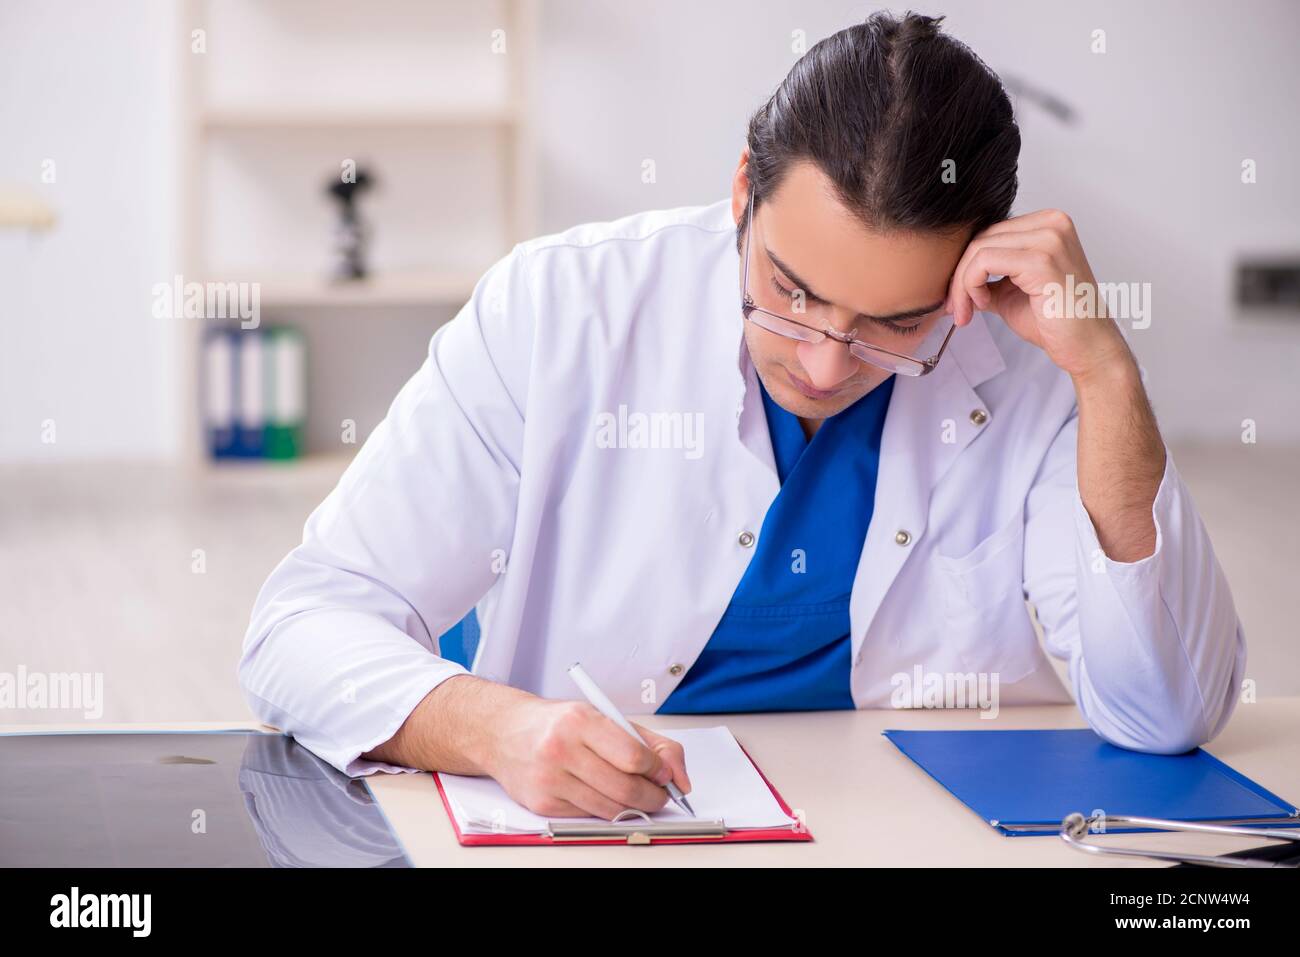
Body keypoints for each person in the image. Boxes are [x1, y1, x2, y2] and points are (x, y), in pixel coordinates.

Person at [240, 12, 1245, 821]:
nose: (818, 363)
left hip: (901, 835)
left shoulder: (1024, 362)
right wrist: (496, 729)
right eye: (790, 289)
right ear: (739, 194)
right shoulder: (561, 309)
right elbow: (300, 629)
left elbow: (1162, 714)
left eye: (890, 324)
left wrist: (1106, 374)